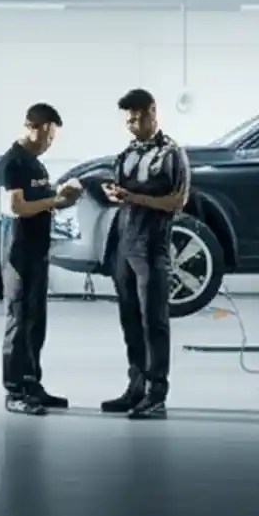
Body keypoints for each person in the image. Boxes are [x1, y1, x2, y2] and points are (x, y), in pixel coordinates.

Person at [101, 89, 190, 420]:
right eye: (128, 120)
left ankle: (156, 395)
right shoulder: (126, 153)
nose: (132, 125)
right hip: (125, 246)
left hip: (152, 247)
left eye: (138, 118)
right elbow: (122, 194)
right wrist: (114, 194)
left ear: (153, 113)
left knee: (154, 322)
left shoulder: (172, 154)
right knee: (130, 321)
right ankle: (135, 388)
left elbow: (177, 202)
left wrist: (135, 198)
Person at [0, 102, 83, 416]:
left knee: (35, 324)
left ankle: (33, 385)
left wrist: (63, 196)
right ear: (37, 127)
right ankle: (15, 392)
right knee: (18, 324)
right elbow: (16, 207)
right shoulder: (13, 162)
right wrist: (56, 199)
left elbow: (42, 201)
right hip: (20, 256)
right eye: (48, 137)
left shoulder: (36, 164)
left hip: (38, 253)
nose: (49, 143)